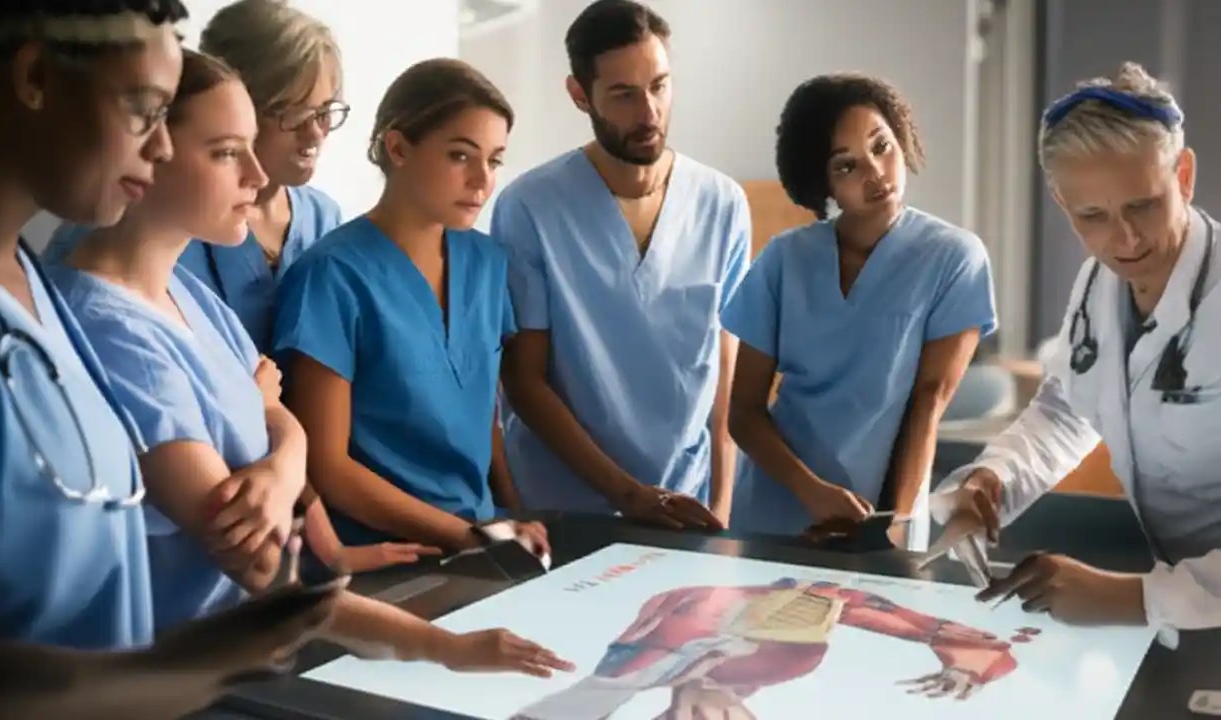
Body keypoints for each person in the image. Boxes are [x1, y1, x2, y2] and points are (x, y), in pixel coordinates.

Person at [52, 49, 574, 678]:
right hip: (202, 661)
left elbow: (281, 421)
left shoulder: (189, 297)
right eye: (225, 152)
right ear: (146, 154)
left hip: (278, 621)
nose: (256, 173)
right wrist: (447, 649)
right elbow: (260, 562)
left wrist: (279, 457)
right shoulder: (111, 332)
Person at [0, 4, 340, 718]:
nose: (158, 152)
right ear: (35, 76)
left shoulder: (33, 289)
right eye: (144, 111)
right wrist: (187, 664)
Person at [930, 62, 1221, 637]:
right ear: (1064, 204)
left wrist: (1129, 599)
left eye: (1143, 205)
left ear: (1184, 176)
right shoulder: (1099, 283)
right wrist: (993, 480)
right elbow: (1068, 408)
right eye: (1094, 216)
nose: (1126, 239)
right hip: (1186, 610)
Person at [274, 58, 550, 555]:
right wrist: (468, 537)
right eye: (461, 156)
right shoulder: (332, 276)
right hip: (384, 554)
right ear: (398, 147)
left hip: (484, 537)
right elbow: (327, 467)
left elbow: (480, 414)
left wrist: (512, 513)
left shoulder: (487, 264)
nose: (483, 181)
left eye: (495, 160)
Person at [493, 0, 749, 530]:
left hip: (687, 500)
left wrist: (722, 503)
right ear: (579, 95)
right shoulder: (530, 208)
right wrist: (626, 494)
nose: (649, 113)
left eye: (659, 85)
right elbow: (524, 380)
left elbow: (727, 378)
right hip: (565, 503)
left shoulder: (722, 205)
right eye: (624, 95)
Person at [722, 74, 997, 551]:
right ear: (821, 182)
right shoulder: (784, 260)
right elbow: (743, 413)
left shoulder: (955, 258)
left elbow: (927, 402)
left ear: (901, 135)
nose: (876, 174)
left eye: (881, 146)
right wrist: (811, 492)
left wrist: (901, 526)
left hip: (880, 518)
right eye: (846, 166)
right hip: (774, 510)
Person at [42, 0, 346, 352]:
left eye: (324, 112)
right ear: (238, 99)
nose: (316, 134)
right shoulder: (128, 229)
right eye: (293, 113)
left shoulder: (322, 220)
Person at [512, 578, 1023, 719]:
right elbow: (863, 606)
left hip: (693, 605)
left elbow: (587, 696)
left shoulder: (644, 667)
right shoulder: (780, 666)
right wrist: (968, 665)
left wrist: (962, 653)